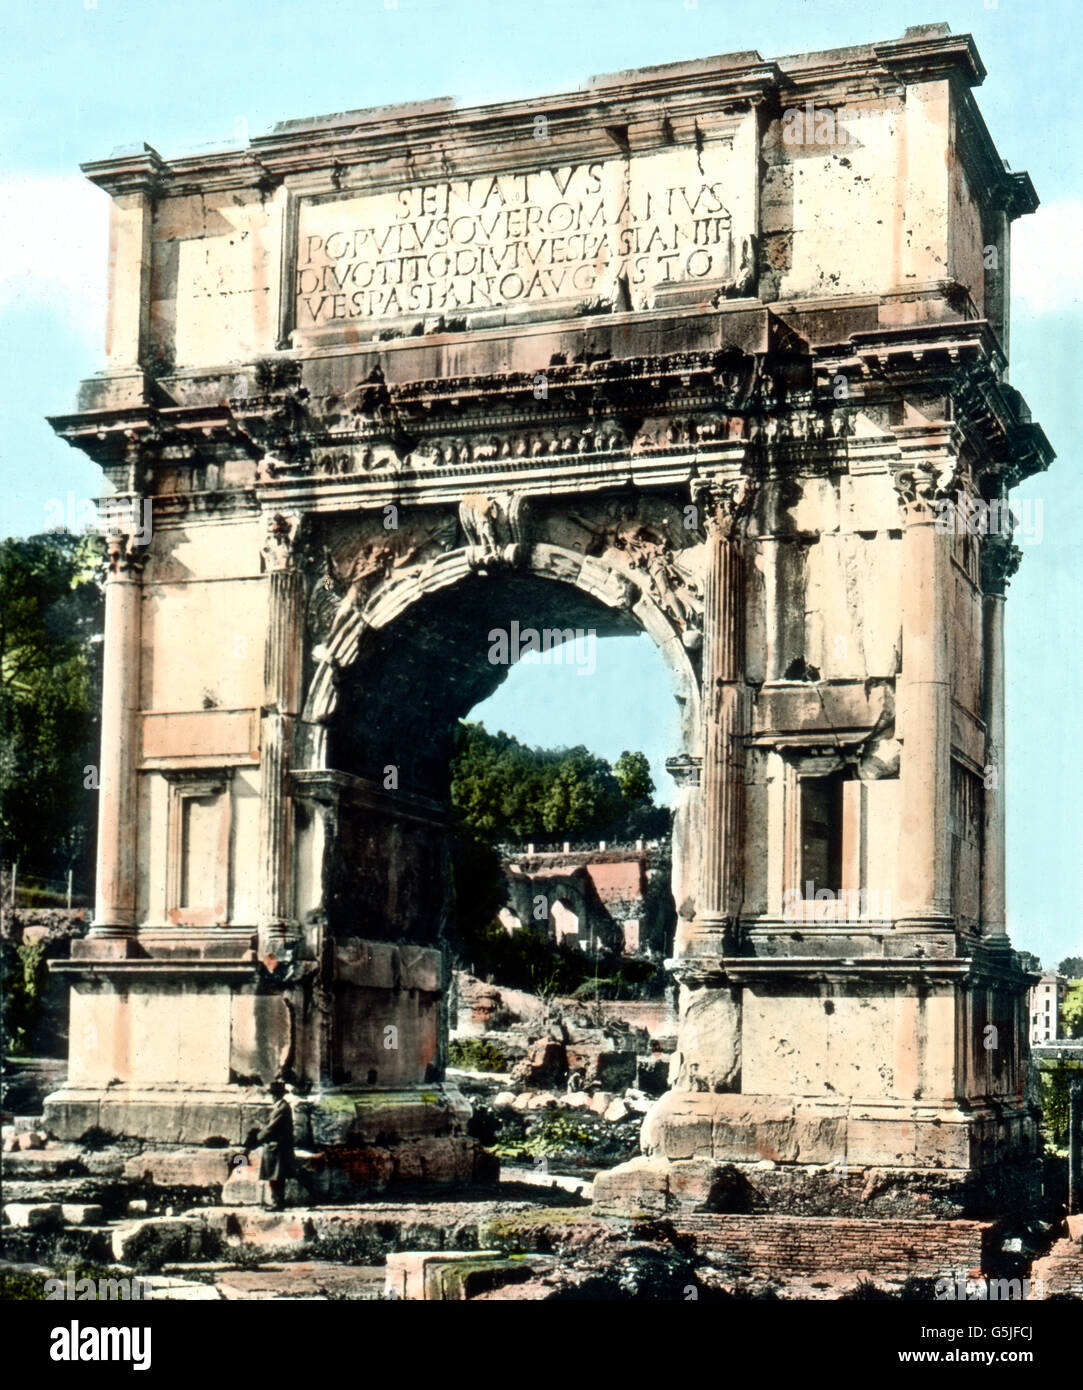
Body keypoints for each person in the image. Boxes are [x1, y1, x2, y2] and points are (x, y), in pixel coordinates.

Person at [255, 1079, 294, 1211]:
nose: (271, 1097)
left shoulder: (282, 1107)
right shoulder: (280, 1106)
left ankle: (278, 1202)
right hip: (275, 1146)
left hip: (278, 1147)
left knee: (276, 1176)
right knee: (275, 1175)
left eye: (272, 1094)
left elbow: (272, 1127)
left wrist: (258, 1137)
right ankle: (277, 1201)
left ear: (277, 1095)